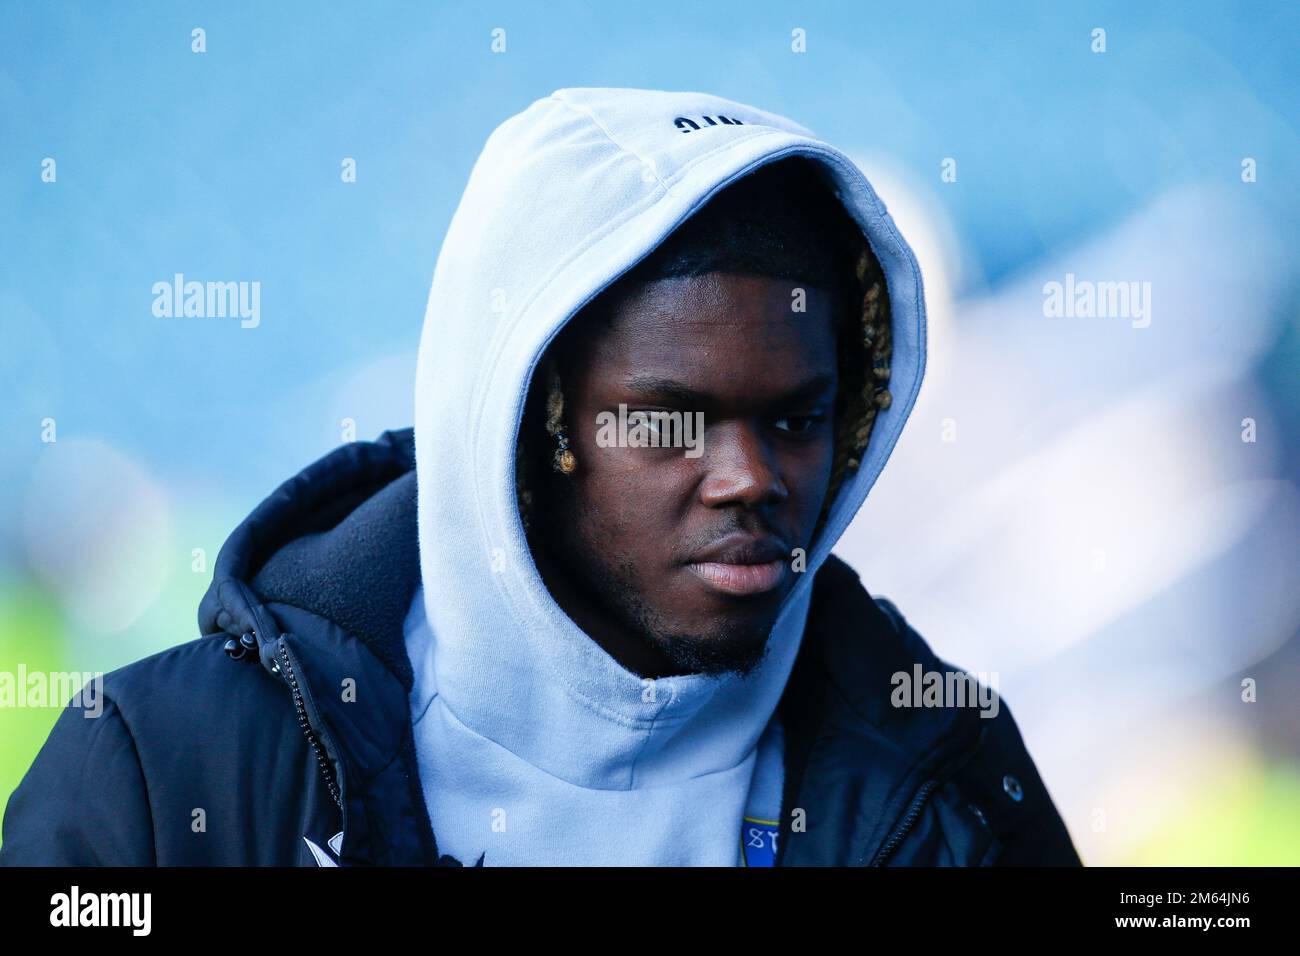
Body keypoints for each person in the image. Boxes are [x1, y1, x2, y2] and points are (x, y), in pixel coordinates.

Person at [0, 88, 1081, 866]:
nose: (750, 477)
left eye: (799, 417)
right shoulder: (161, 770)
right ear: (530, 422)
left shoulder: (952, 782)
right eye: (671, 420)